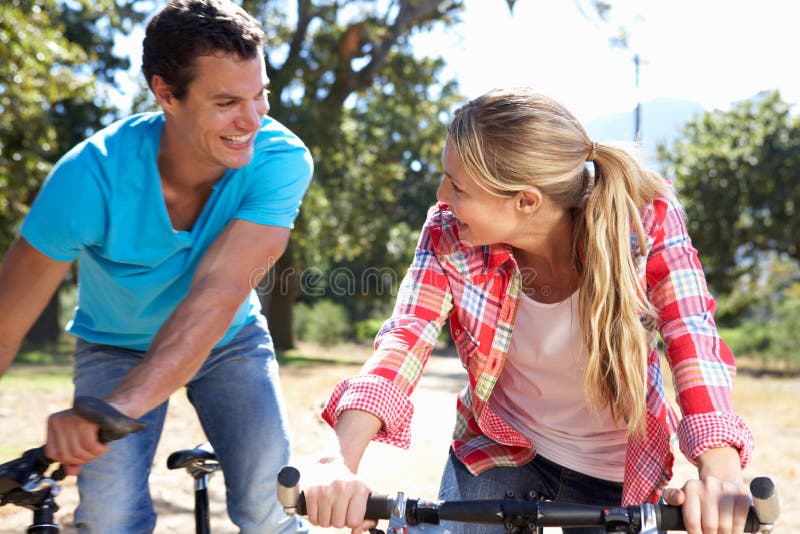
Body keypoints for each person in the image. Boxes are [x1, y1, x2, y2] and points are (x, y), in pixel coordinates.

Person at [301, 88, 754, 534]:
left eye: (457, 186)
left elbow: (690, 330)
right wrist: (338, 459)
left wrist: (720, 472)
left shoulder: (643, 218)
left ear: (526, 201)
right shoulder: (448, 234)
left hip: (616, 467)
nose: (441, 197)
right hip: (501, 445)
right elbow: (405, 336)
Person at [0, 1, 312, 532]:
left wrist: (109, 410)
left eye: (260, 94)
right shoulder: (87, 180)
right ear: (166, 93)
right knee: (109, 517)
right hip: (115, 344)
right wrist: (112, 405)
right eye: (226, 101)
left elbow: (219, 293)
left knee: (271, 505)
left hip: (228, 340)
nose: (252, 119)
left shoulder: (281, 160)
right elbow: (4, 326)